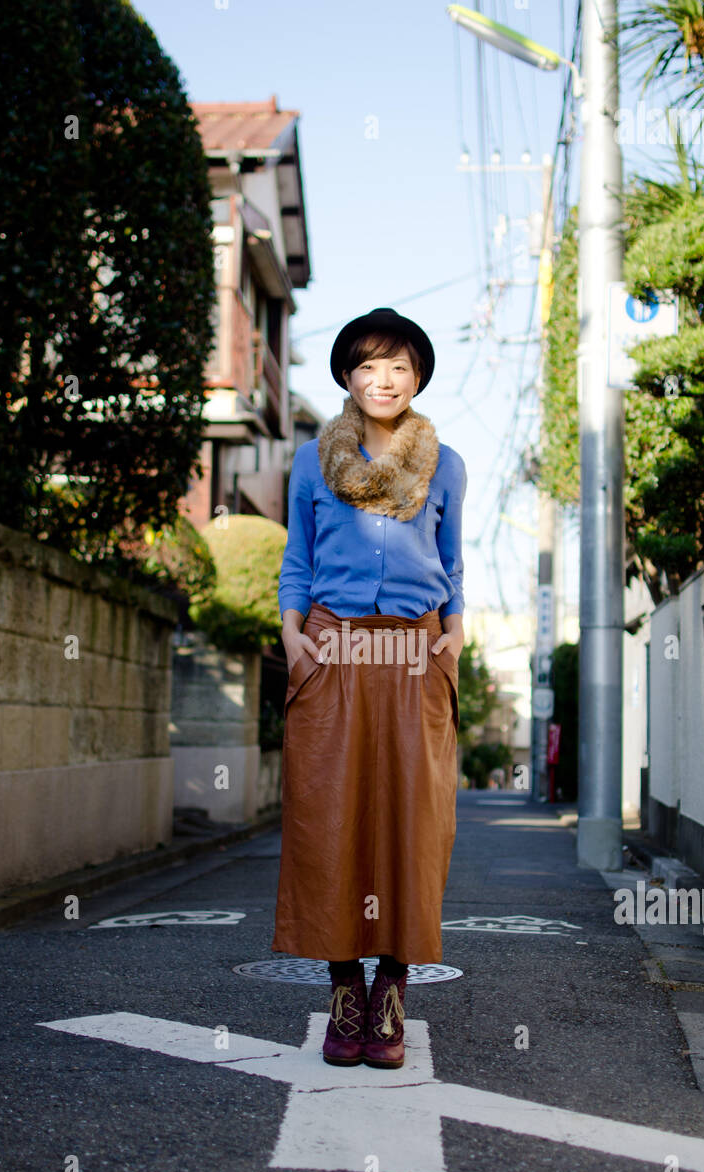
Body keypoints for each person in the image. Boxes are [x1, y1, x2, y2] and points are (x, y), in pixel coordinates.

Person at [272, 306, 466, 1068]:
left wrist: (454, 637)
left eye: (398, 367)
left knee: (413, 826)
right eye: (367, 366)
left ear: (416, 377)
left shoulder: (443, 463)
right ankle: (343, 992)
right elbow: (297, 556)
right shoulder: (312, 462)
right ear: (347, 378)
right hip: (333, 647)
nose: (383, 379)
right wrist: (293, 639)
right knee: (330, 820)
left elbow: (452, 561)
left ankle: (392, 990)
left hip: (416, 652)